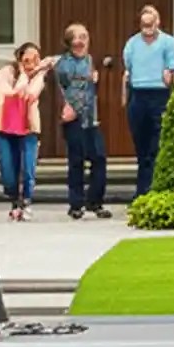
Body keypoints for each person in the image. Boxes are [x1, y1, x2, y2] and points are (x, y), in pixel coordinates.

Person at [122, 7, 174, 199]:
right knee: (142, 148)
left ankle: (153, 191)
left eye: (150, 24)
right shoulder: (132, 43)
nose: (147, 28)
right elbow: (127, 69)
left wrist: (169, 74)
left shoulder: (168, 42)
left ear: (157, 23)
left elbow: (173, 67)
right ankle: (141, 192)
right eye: (144, 25)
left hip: (159, 95)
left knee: (156, 147)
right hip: (138, 95)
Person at [56, 23, 112, 220]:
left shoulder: (89, 60)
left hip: (90, 118)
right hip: (74, 119)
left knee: (99, 158)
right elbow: (67, 88)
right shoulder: (65, 63)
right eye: (76, 38)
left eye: (84, 37)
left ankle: (95, 201)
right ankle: (76, 204)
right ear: (69, 42)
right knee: (76, 161)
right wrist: (70, 107)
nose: (80, 41)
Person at [0, 42, 53, 220]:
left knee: (28, 168)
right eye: (27, 59)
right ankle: (14, 200)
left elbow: (31, 94)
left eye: (36, 59)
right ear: (19, 59)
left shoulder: (39, 76)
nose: (32, 63)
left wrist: (37, 72)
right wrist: (23, 74)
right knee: (8, 171)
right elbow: (11, 92)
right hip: (5, 127)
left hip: (28, 128)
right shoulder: (6, 73)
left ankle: (26, 201)